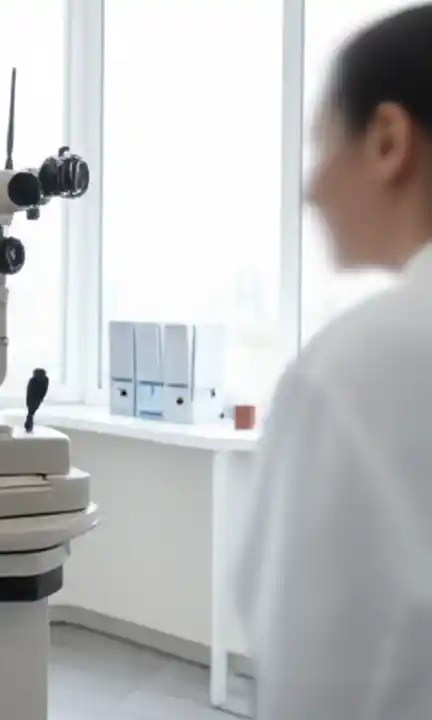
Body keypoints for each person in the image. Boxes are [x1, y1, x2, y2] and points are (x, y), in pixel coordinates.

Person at [238, 5, 432, 718]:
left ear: (388, 141)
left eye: (323, 144)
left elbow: (315, 685)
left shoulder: (358, 372)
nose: (312, 189)